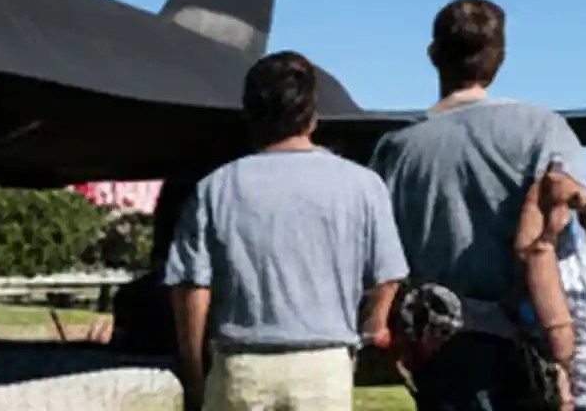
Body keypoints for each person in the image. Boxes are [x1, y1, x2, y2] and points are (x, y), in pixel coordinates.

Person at [369, 0, 586, 409]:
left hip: (437, 350)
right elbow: (559, 220)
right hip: (523, 351)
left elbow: (380, 258)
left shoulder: (394, 151)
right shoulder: (543, 131)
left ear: (433, 55)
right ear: (499, 58)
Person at [164, 50, 409, 411]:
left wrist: (195, 371)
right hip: (323, 366)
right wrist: (372, 327)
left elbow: (191, 288)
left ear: (250, 113)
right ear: (311, 116)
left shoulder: (215, 188)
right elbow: (389, 274)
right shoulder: (363, 185)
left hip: (242, 365)